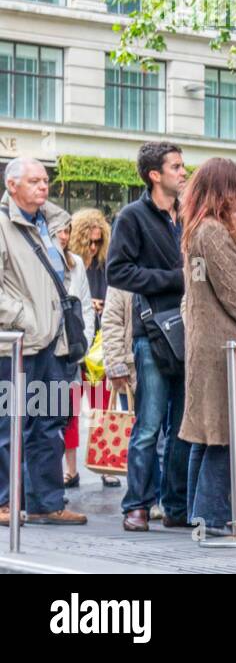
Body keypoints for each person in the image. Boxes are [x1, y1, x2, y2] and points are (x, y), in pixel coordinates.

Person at [178, 160, 236, 535]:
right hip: (224, 345)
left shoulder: (199, 229)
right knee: (223, 431)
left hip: (208, 342)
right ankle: (213, 518)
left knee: (206, 430)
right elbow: (234, 293)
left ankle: (198, 514)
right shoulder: (214, 233)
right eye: (235, 185)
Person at [0, 158, 86, 526]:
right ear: (12, 185)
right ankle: (5, 502)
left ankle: (46, 502)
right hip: (16, 345)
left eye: (46, 180)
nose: (43, 187)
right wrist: (24, 318)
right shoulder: (4, 226)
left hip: (53, 342)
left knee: (47, 423)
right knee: (8, 423)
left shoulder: (50, 225)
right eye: (34, 181)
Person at [107, 141, 187, 532]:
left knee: (181, 427)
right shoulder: (132, 217)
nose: (183, 172)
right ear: (155, 174)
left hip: (189, 330)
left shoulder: (188, 215)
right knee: (149, 424)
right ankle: (136, 505)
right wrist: (173, 280)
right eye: (176, 166)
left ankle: (175, 505)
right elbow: (117, 273)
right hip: (152, 330)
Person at [52, 214, 96, 490]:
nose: (64, 236)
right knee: (43, 415)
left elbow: (85, 306)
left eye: (66, 230)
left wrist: (84, 342)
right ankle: (46, 479)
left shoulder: (75, 263)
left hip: (71, 352)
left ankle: (66, 473)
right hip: (43, 350)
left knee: (68, 413)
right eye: (59, 231)